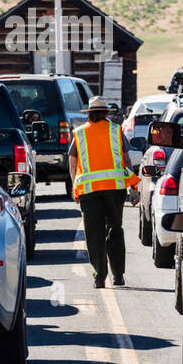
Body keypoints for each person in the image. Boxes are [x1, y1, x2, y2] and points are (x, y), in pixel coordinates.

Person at [68, 96, 140, 288]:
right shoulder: (116, 131)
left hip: (89, 191)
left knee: (94, 233)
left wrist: (76, 186)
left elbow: (73, 162)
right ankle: (118, 276)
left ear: (89, 114)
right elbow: (126, 160)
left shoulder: (79, 133)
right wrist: (133, 187)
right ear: (107, 113)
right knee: (115, 230)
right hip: (115, 190)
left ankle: (99, 277)